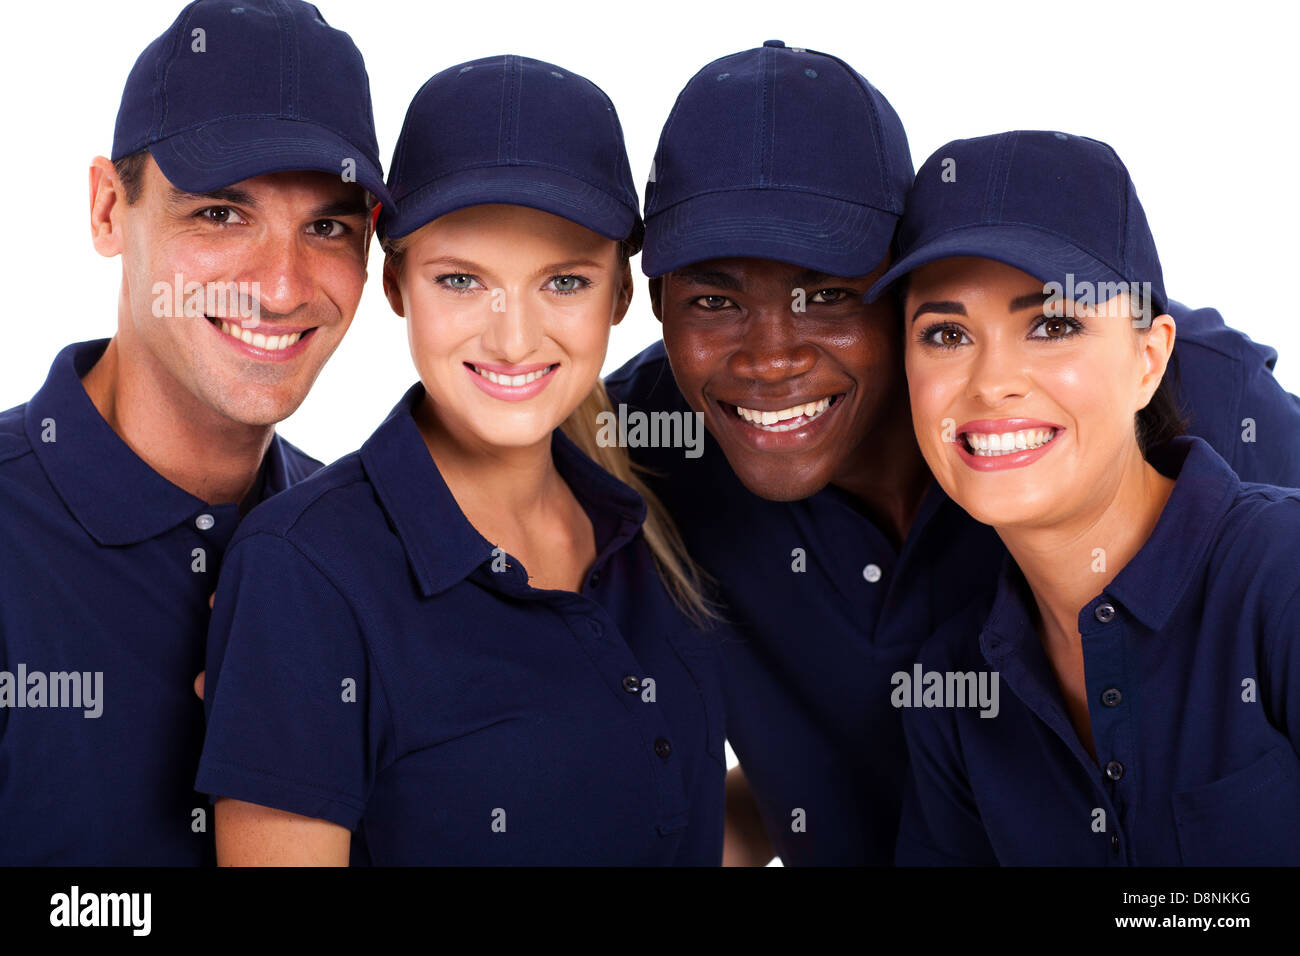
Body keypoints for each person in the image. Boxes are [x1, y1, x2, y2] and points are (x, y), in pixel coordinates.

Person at [604, 42, 1300, 865]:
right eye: (714, 300)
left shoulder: (1225, 439)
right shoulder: (629, 449)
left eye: (827, 293)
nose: (769, 357)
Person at [195, 55, 726, 865]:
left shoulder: (644, 524)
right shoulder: (302, 573)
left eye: (564, 283)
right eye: (461, 280)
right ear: (396, 282)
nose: (513, 338)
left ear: (621, 295)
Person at [0, 0, 387, 865]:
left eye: (326, 225)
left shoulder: (367, 545)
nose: (282, 287)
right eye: (220, 213)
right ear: (108, 209)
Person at [868, 130, 1300, 865]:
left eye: (1054, 324)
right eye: (946, 334)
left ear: (1149, 359)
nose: (991, 381)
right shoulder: (953, 688)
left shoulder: (1280, 580)